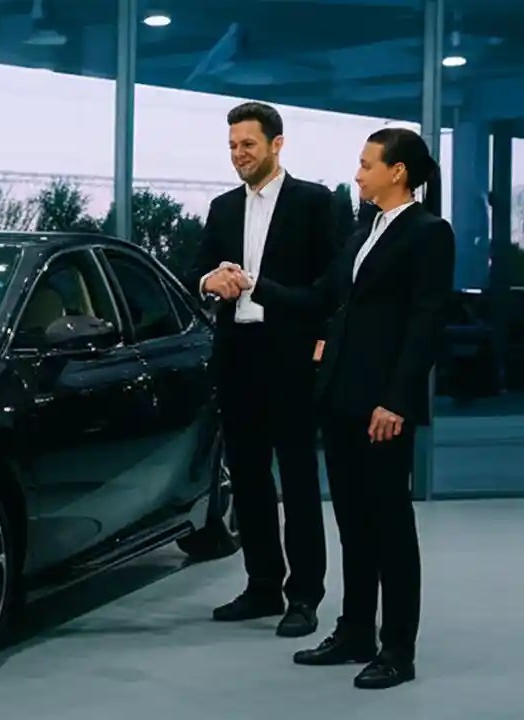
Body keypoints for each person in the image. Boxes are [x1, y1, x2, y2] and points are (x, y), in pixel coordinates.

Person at [221, 127, 454, 689]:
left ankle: (397, 649)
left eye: (366, 164)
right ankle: (355, 632)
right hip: (342, 399)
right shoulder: (365, 230)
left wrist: (397, 400)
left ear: (397, 172)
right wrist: (255, 286)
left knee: (391, 529)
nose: (357, 174)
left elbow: (425, 325)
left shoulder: (428, 233)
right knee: (353, 525)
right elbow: (322, 297)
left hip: (382, 407)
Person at [186, 101, 337, 638]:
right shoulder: (223, 207)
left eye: (247, 144)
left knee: (297, 481)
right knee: (248, 478)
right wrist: (209, 282)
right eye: (232, 146)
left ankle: (305, 596)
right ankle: (262, 585)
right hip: (237, 356)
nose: (238, 155)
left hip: (291, 359)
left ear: (277, 144)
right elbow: (195, 270)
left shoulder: (315, 202)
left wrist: (268, 294)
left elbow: (331, 288)